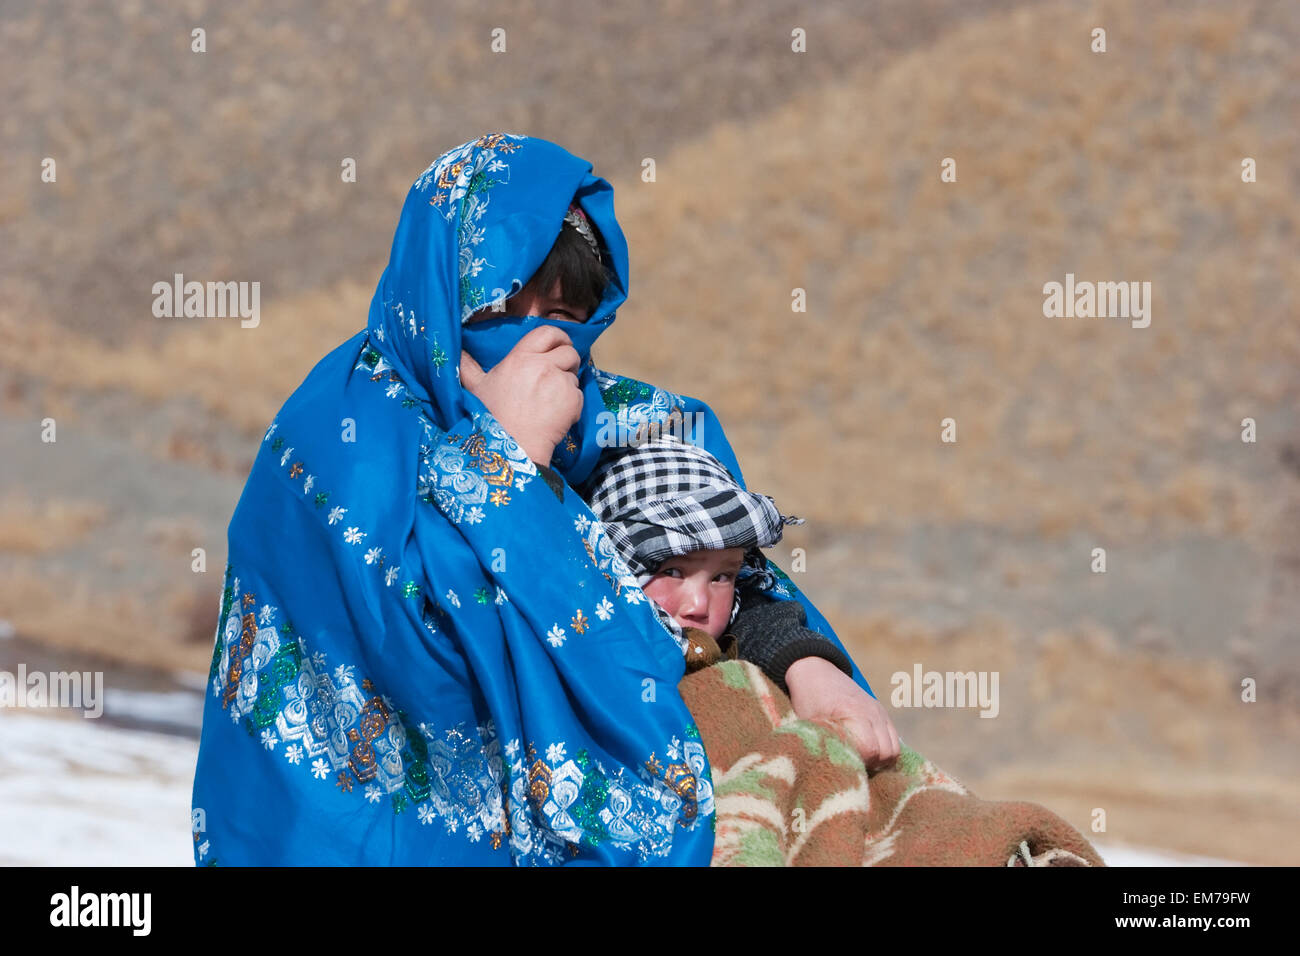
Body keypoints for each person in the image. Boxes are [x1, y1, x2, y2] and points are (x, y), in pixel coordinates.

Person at [190, 133, 881, 866]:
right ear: (439, 300)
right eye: (500, 316)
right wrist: (505, 463)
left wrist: (803, 660)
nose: (539, 347)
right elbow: (415, 653)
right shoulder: (339, 441)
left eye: (567, 318)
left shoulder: (623, 426)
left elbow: (713, 577)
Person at [577, 431, 901, 770]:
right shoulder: (577, 647)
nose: (699, 605)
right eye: (672, 571)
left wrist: (807, 665)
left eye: (722, 577)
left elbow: (755, 620)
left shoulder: (730, 662)